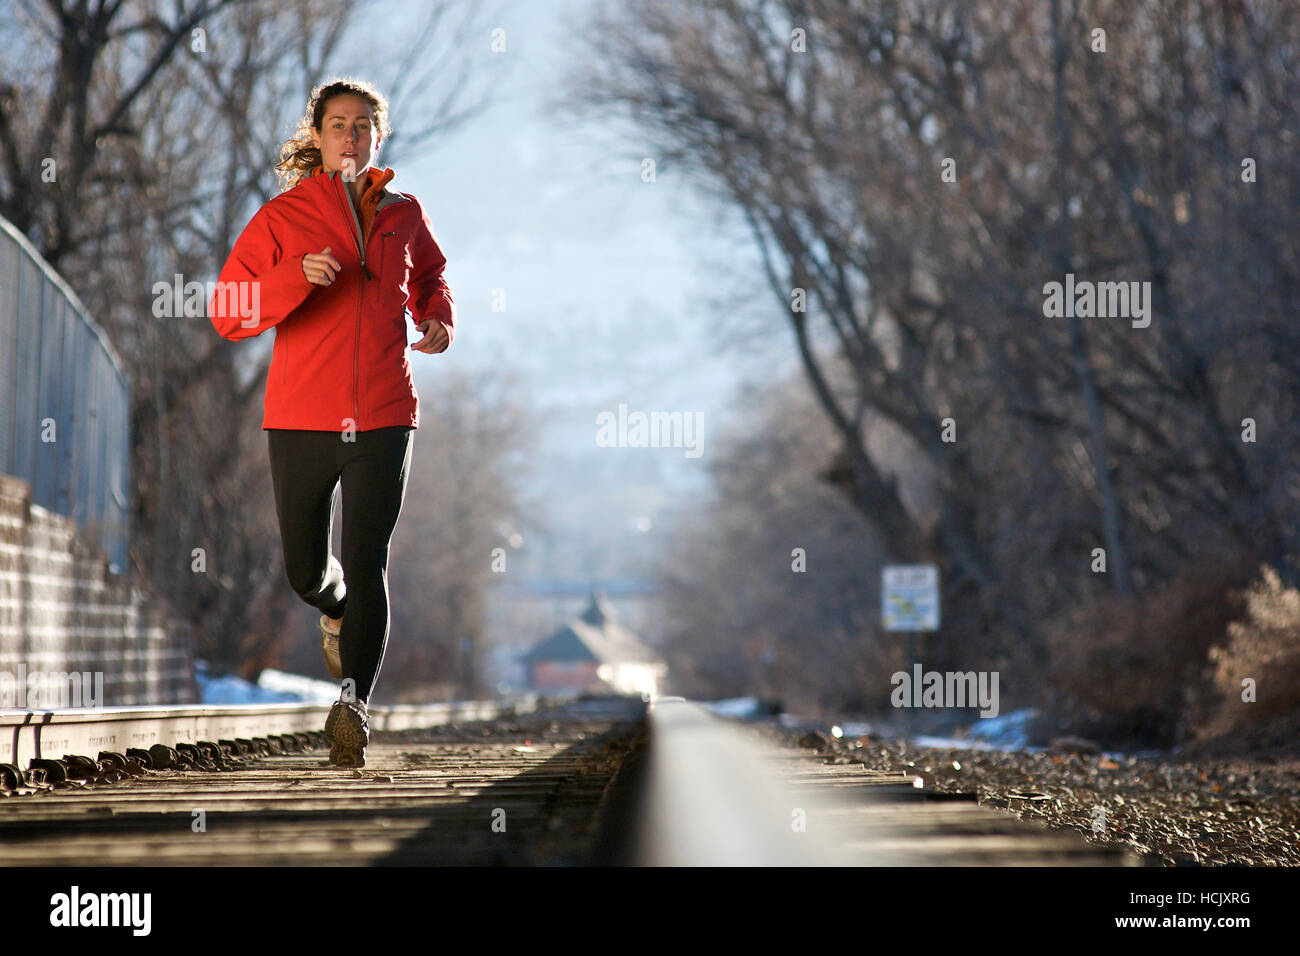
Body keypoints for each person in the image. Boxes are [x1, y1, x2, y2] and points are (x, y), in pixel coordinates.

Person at [208, 77, 455, 768]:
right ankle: (333, 603)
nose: (351, 135)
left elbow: (431, 277)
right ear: (316, 136)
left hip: (384, 412)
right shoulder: (284, 218)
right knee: (305, 569)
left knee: (371, 556)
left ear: (379, 136)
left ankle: (352, 703)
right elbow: (229, 311)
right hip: (302, 417)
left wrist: (436, 318)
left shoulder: (404, 212)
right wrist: (293, 279)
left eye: (363, 124)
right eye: (338, 124)